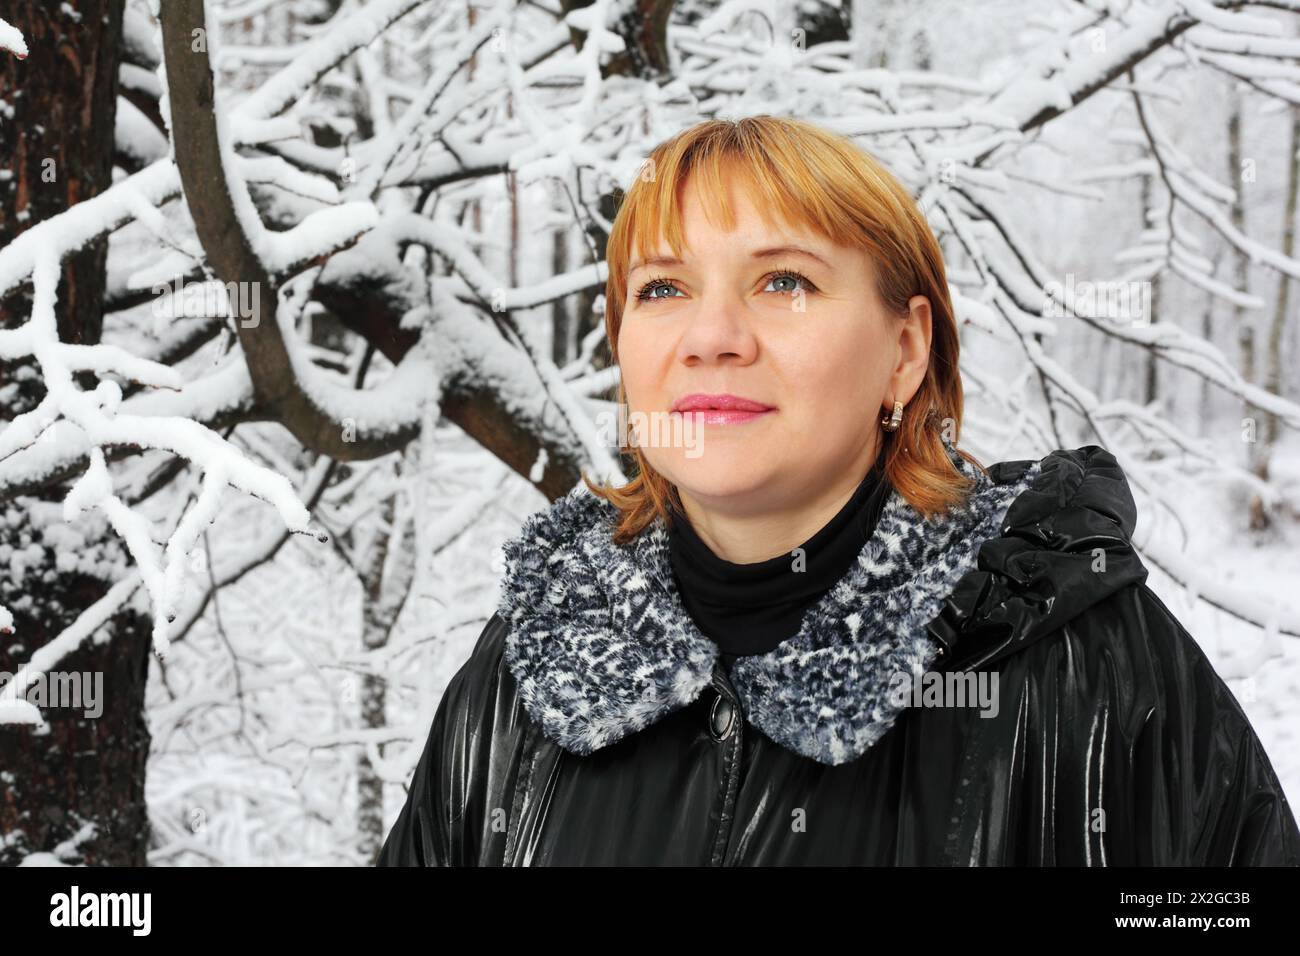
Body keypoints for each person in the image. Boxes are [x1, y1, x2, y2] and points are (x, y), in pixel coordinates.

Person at [377, 116, 1299, 866]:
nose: (713, 336)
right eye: (663, 290)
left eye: (784, 281)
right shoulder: (537, 661)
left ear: (904, 350)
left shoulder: (1066, 653)